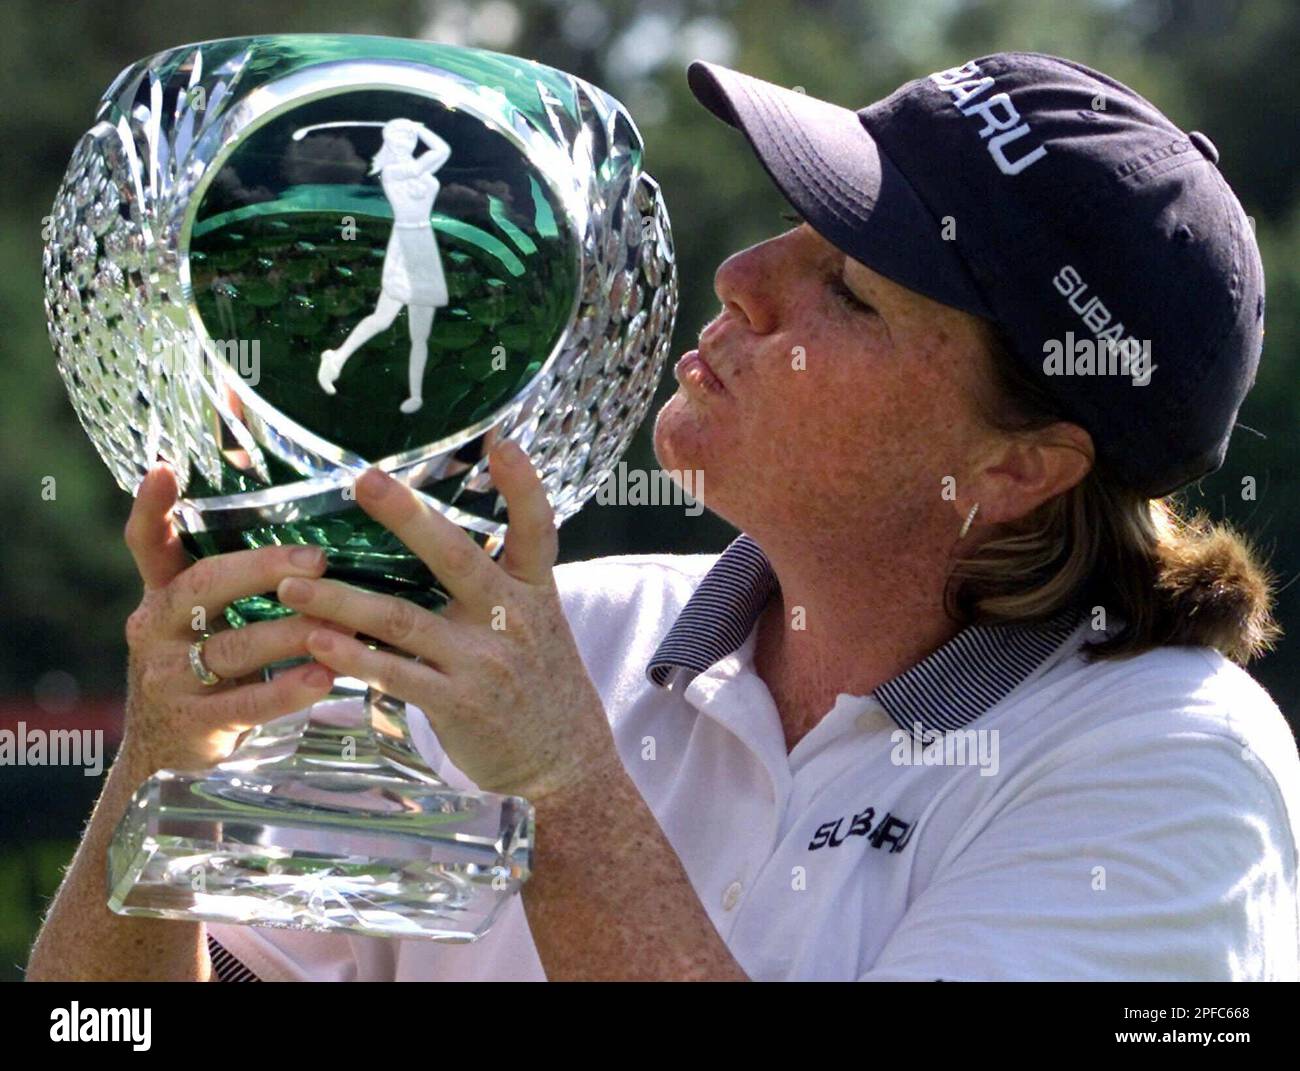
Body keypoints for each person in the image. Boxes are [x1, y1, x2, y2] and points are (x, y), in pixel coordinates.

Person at [28, 51, 1298, 981]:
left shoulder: (1175, 766)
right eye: (794, 227)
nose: (743, 280)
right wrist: (167, 768)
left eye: (852, 291)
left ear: (1020, 467)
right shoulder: (546, 639)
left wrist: (565, 786)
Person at [316, 117, 451, 414]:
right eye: (399, 136)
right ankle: (336, 358)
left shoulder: (419, 169)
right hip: (405, 243)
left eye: (408, 137)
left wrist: (418, 129)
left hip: (425, 244)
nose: (405, 141)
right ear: (389, 140)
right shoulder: (392, 171)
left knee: (420, 334)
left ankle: (416, 396)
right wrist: (421, 128)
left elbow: (441, 152)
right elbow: (441, 151)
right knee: (382, 319)